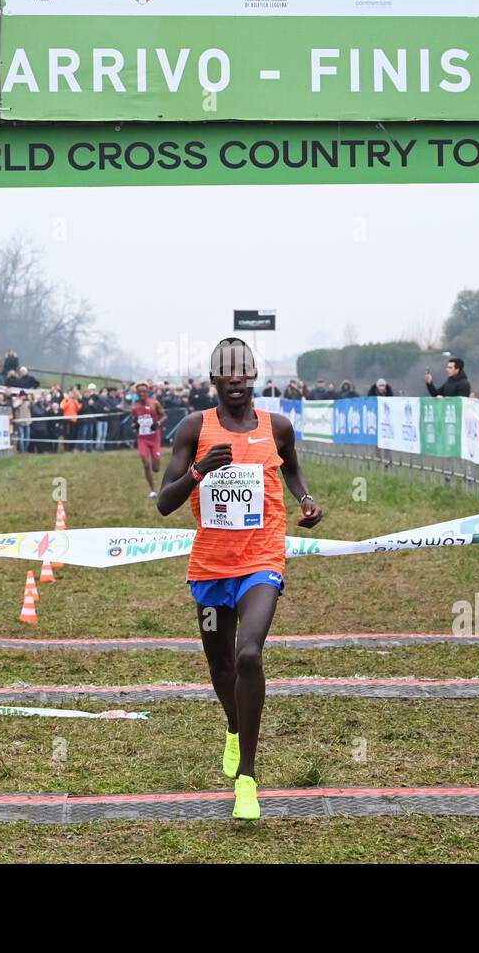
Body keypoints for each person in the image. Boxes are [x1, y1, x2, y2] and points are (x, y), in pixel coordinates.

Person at [157, 338, 323, 821]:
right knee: (221, 666)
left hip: (262, 559)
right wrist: (197, 471)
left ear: (253, 379)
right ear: (214, 382)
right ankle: (234, 726)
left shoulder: (278, 427)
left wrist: (306, 500)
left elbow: (291, 469)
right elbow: (165, 502)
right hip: (210, 569)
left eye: (244, 375)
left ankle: (246, 778)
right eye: (227, 376)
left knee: (249, 653)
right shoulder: (194, 428)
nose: (236, 382)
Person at [131, 381, 167, 498]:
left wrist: (158, 423)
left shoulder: (154, 403)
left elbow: (165, 416)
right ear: (136, 393)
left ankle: (156, 465)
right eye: (139, 392)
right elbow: (134, 421)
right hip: (143, 438)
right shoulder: (135, 406)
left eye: (144, 391)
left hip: (154, 437)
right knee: (146, 464)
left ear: (148, 392)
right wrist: (135, 425)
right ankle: (152, 490)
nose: (142, 393)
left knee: (155, 468)